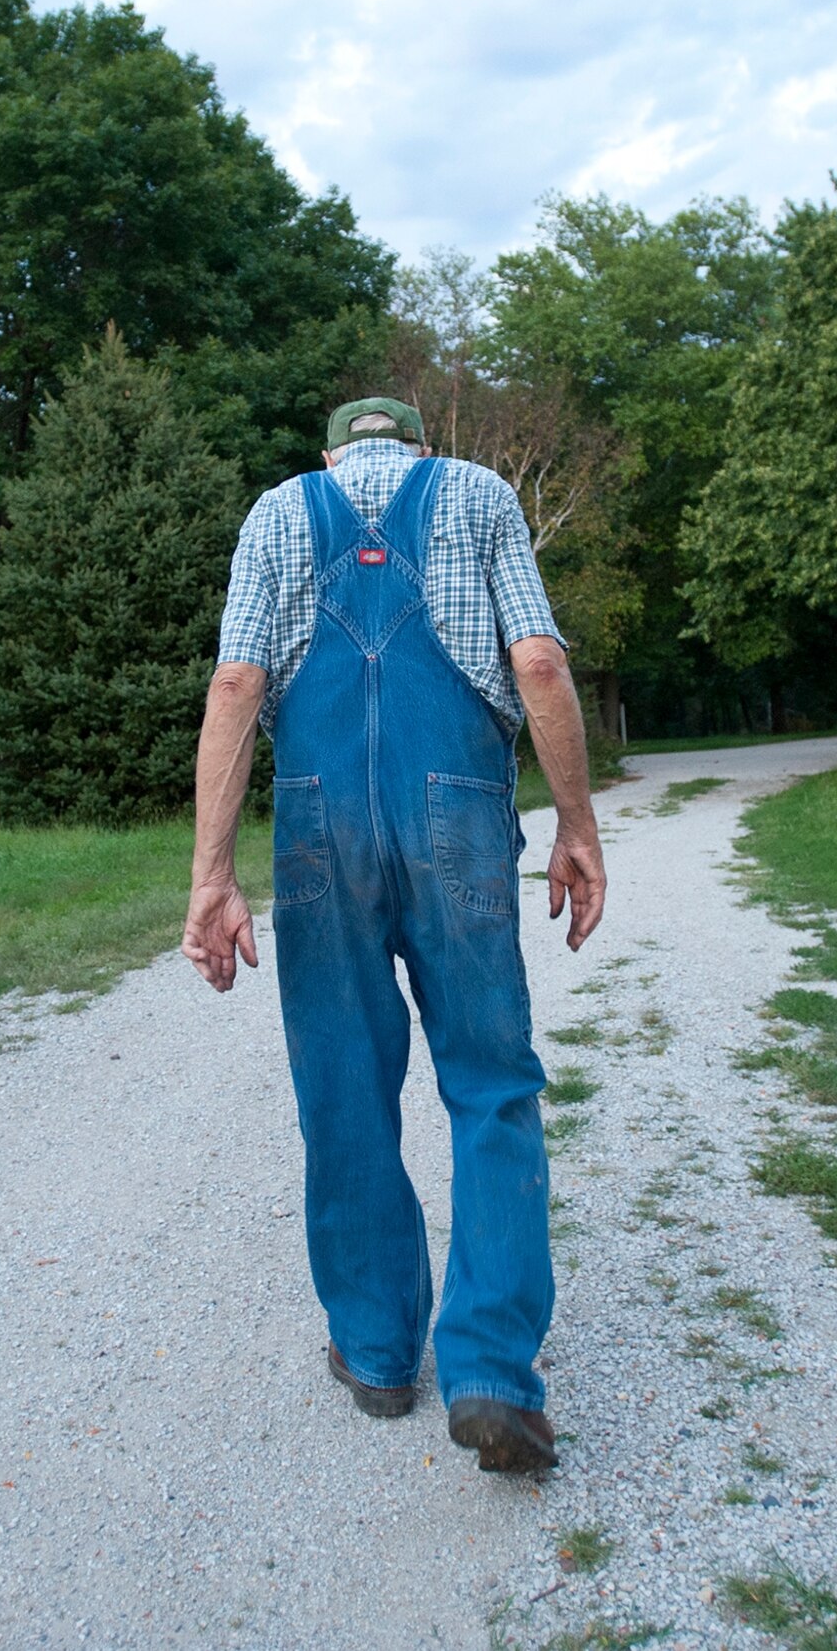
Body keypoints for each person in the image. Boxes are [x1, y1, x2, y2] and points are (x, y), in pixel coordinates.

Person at [183, 396, 606, 1475]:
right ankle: (491, 1373)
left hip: (319, 819)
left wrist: (213, 876)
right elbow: (541, 665)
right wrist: (577, 826)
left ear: (333, 452)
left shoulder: (278, 512)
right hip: (457, 806)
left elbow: (237, 684)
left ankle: (376, 1352)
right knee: (490, 1082)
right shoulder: (479, 496)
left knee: (342, 1079)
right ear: (419, 445)